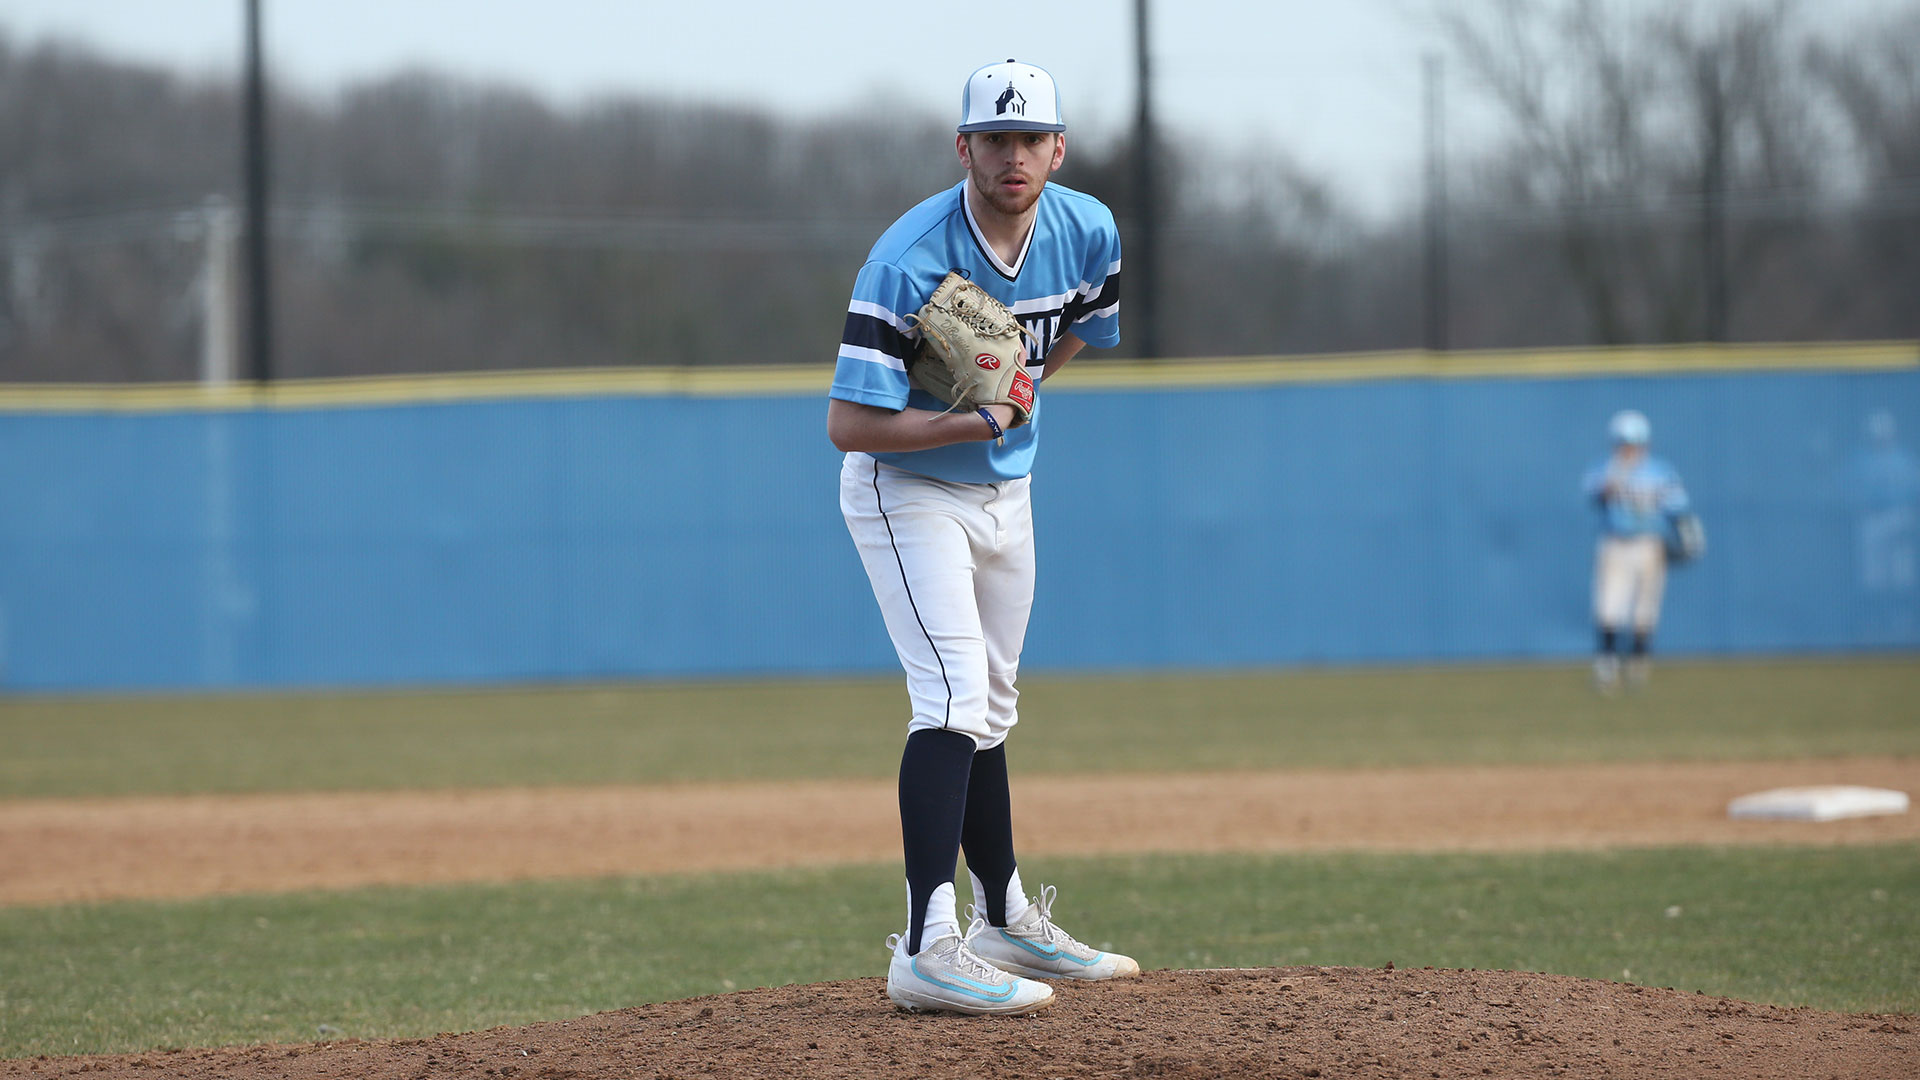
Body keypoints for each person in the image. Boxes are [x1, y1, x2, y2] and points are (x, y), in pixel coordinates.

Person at [825, 59, 1136, 1016]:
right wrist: (967, 421)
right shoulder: (908, 258)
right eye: (993, 139)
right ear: (964, 147)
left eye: (1030, 138)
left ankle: (1002, 914)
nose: (1013, 155)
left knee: (991, 703)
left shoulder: (1087, 229)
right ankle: (927, 944)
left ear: (1058, 148)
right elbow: (849, 424)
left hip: (1008, 491)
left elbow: (1080, 328)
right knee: (953, 692)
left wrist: (1020, 391)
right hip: (906, 487)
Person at [1582, 409, 1692, 693]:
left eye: (1635, 442)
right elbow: (1595, 493)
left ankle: (1638, 664)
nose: (1631, 448)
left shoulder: (1659, 470)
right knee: (1609, 605)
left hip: (1649, 543)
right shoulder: (1607, 467)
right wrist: (1618, 472)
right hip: (1616, 542)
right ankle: (1607, 665)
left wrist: (1684, 534)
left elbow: (1677, 507)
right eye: (1625, 442)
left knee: (1646, 608)